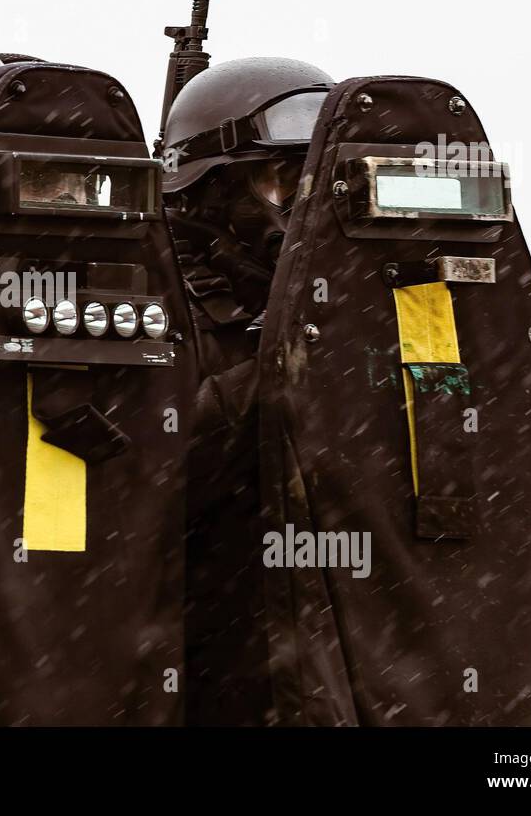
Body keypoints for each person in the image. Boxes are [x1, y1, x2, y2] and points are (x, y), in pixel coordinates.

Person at [161, 56, 334, 725]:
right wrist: (276, 373)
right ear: (214, 190)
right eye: (281, 178)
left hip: (345, 668)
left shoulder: (363, 298)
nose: (304, 203)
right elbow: (143, 477)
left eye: (318, 179)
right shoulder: (154, 302)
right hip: (206, 677)